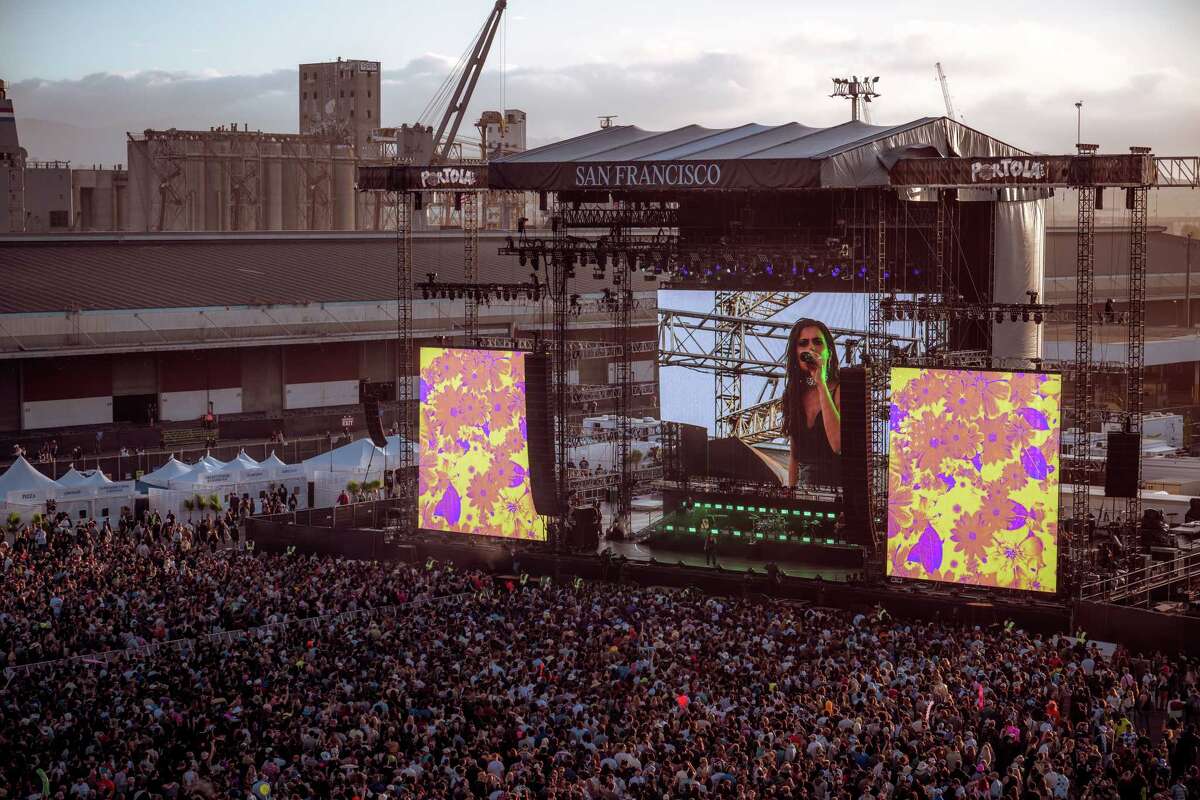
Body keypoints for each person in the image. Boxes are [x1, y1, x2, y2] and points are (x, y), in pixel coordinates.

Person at [781, 318, 842, 487]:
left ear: (828, 351)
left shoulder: (840, 389)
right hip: (804, 495)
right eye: (803, 343)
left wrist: (821, 383)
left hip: (836, 493)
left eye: (817, 342)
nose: (811, 348)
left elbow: (838, 445)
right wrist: (791, 496)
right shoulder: (793, 394)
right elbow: (794, 457)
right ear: (796, 353)